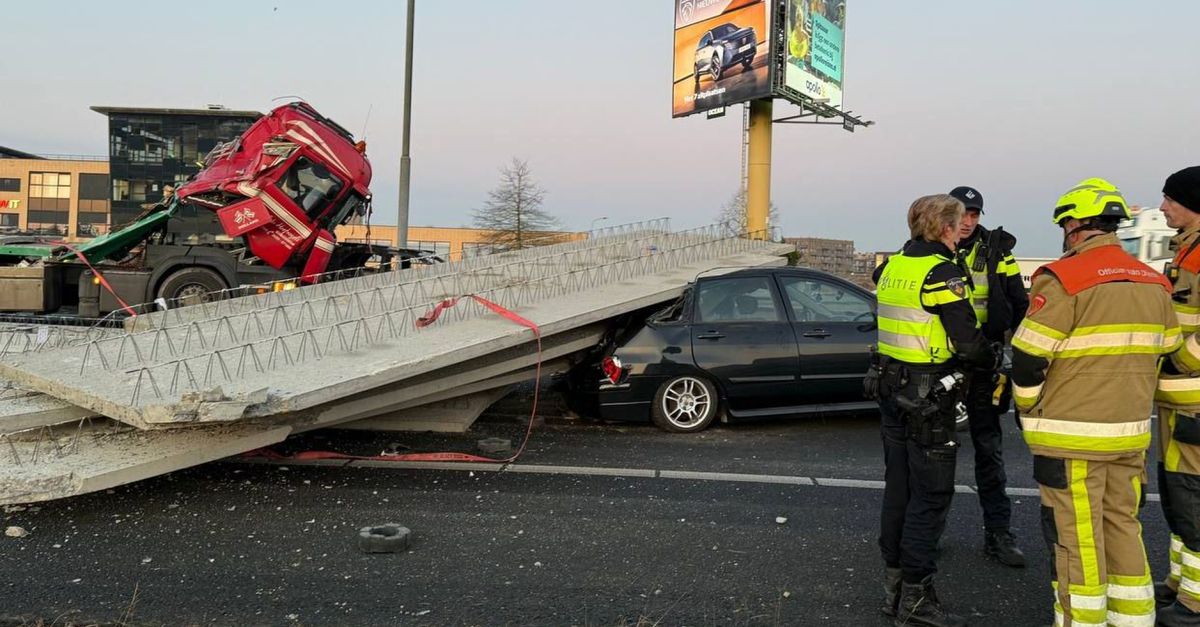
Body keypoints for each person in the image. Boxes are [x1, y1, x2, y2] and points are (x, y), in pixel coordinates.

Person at [1010, 178, 1180, 627]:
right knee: (1123, 527)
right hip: (1129, 433)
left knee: (1076, 538)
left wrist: (1026, 409)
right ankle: (1134, 618)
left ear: (1075, 225)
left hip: (1070, 437)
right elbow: (1170, 346)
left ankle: (1081, 621)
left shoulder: (1065, 277)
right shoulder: (1155, 281)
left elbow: (1028, 359)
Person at [870, 194, 996, 626]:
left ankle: (893, 589)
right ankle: (917, 597)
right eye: (958, 222)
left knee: (898, 491)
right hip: (929, 398)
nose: (963, 228)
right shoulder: (941, 272)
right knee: (931, 496)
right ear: (945, 228)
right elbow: (967, 340)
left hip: (891, 389)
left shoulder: (891, 268)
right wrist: (991, 358)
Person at [949, 185, 1028, 568]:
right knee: (934, 452)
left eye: (974, 215)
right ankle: (925, 535)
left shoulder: (997, 251)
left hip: (984, 361)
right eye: (962, 213)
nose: (967, 221)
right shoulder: (931, 246)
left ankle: (999, 535)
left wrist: (998, 341)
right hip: (943, 362)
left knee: (989, 452)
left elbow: (1019, 302)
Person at [1152, 165, 1200, 626]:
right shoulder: (1186, 249)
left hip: (1194, 396)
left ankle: (1196, 603)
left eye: (1170, 199)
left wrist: (1177, 360)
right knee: (1178, 493)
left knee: (1194, 494)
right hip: (1178, 396)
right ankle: (1180, 585)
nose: (1163, 207)